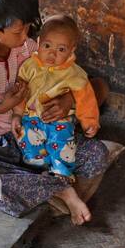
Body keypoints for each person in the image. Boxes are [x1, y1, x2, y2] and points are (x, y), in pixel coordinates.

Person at [0, 0, 107, 224]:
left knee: (97, 153)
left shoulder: (30, 46)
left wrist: (68, 99)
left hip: (37, 133)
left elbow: (87, 84)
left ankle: (35, 179)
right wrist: (2, 107)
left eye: (28, 28)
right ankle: (62, 189)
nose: (25, 37)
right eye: (17, 32)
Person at [12, 14, 99, 177]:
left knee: (63, 145)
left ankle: (61, 173)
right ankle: (38, 166)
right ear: (38, 43)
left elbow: (86, 100)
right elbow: (20, 93)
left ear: (71, 50)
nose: (52, 55)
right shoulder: (29, 66)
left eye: (61, 49)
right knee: (27, 140)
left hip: (60, 121)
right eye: (47, 46)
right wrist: (17, 114)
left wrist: (89, 121)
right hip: (31, 117)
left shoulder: (75, 75)